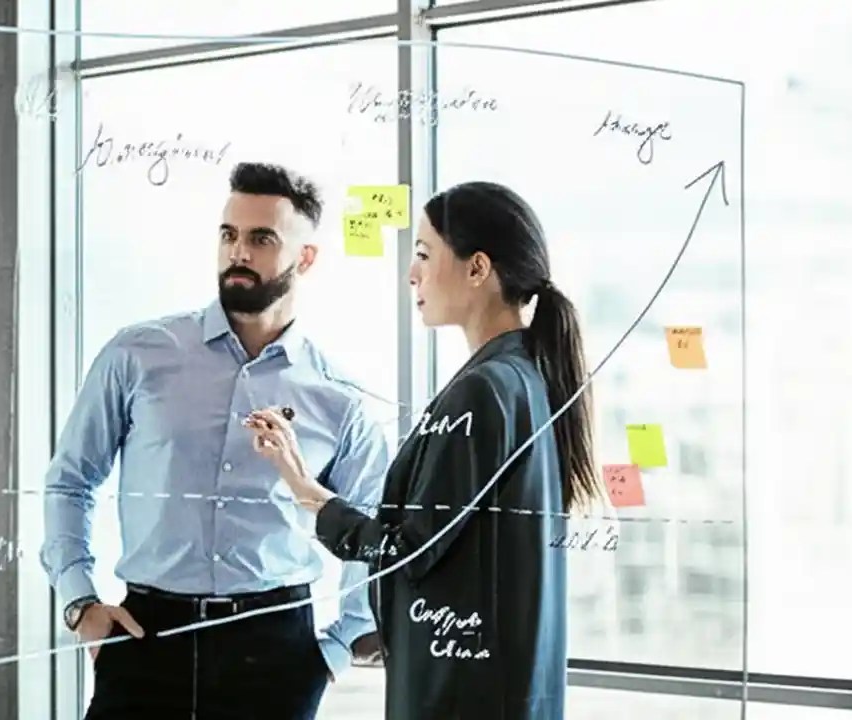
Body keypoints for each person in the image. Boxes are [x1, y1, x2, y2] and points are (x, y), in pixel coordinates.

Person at [40, 161, 391, 720]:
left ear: (305, 258)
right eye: (228, 234)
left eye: (261, 238)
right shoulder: (137, 354)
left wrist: (337, 648)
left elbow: (374, 530)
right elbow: (70, 480)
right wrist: (81, 602)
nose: (238, 253)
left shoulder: (338, 397)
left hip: (276, 652)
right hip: (145, 638)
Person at [246, 181, 603, 720]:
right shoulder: (524, 381)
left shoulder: (485, 391)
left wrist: (306, 490)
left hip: (461, 699)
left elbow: (407, 550)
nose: (411, 273)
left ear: (477, 268)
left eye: (422, 254)